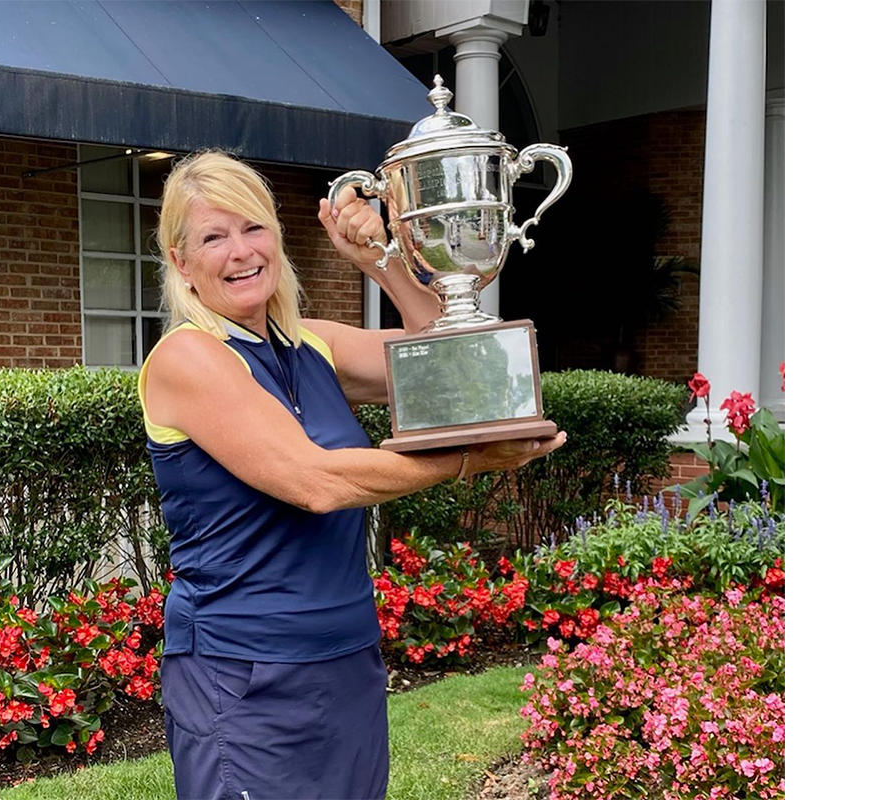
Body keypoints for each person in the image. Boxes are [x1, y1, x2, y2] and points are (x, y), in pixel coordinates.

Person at [138, 151, 565, 800]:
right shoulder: (187, 358)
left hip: (347, 657)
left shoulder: (312, 344)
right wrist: (467, 462)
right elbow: (316, 482)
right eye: (213, 237)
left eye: (254, 227)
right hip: (244, 673)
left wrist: (381, 263)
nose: (241, 251)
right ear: (182, 263)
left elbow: (457, 369)